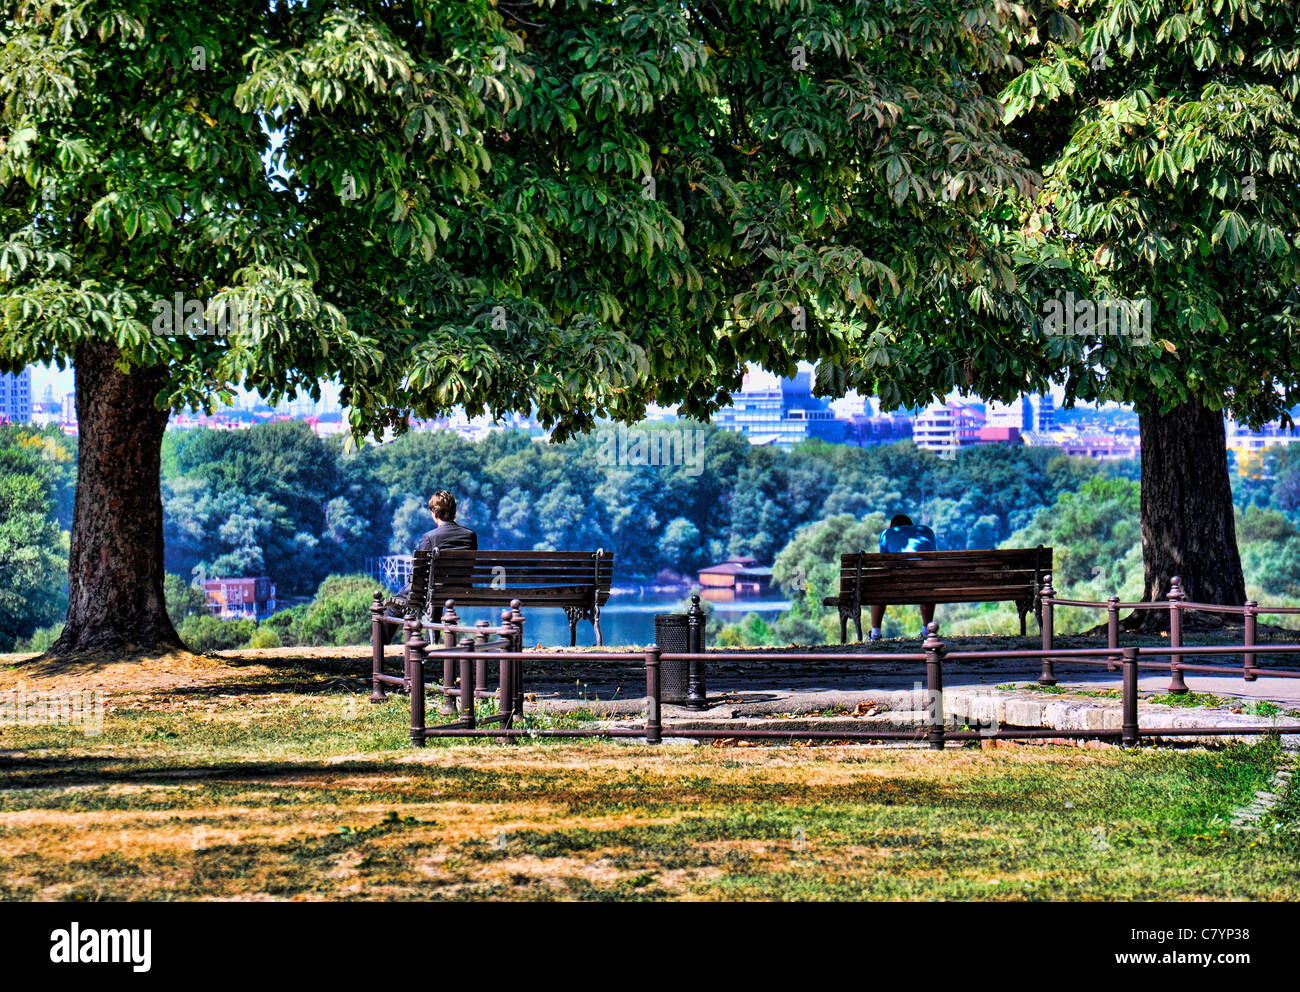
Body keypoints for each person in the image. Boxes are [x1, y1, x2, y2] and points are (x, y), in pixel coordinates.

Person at [388, 491, 477, 619]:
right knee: (435, 589)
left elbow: (419, 574)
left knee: (392, 606)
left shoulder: (429, 537)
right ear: (454, 512)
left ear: (434, 514)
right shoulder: (470, 536)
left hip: (433, 590)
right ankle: (430, 639)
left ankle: (378, 640)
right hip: (462, 589)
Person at [869, 513, 937, 641]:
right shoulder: (927, 531)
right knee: (927, 582)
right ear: (910, 526)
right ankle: (926, 630)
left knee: (877, 589)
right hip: (925, 583)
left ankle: (875, 634)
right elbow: (933, 559)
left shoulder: (886, 533)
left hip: (898, 585)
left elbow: (885, 564)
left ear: (893, 526)